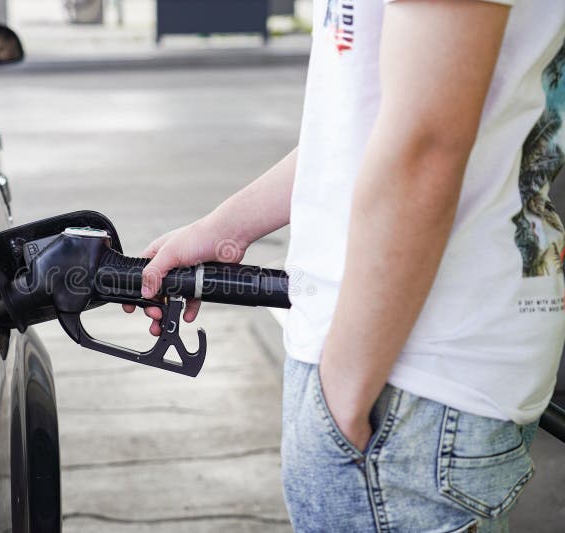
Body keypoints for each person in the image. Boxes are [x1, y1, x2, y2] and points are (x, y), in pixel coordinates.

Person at [124, 0, 565, 530]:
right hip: (397, 379)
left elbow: (424, 145)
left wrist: (343, 397)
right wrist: (221, 231)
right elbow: (358, 123)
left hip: (408, 384)